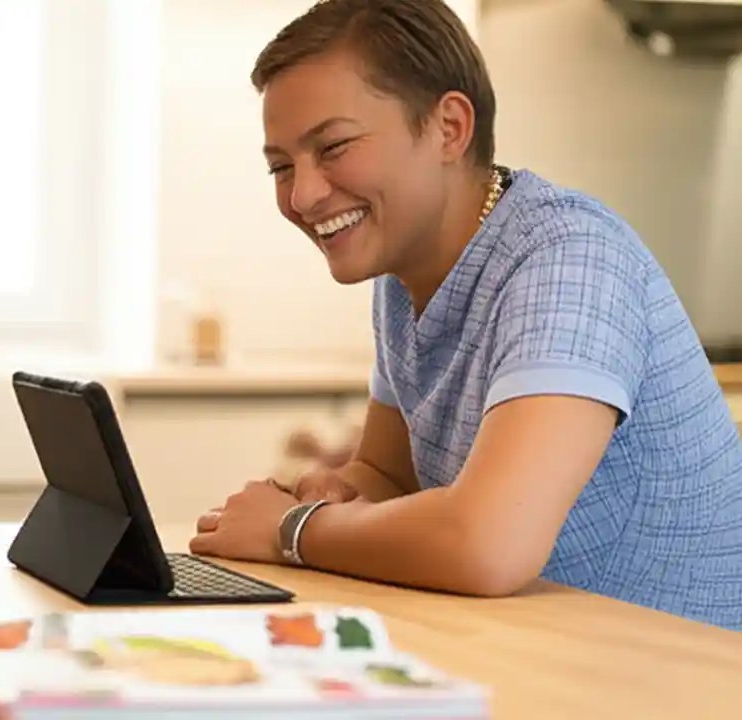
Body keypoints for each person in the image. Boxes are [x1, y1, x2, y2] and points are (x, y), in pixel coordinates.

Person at [189, 0, 742, 630]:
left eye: (333, 147)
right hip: (545, 649)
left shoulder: (569, 259)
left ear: (449, 127)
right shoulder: (405, 277)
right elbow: (388, 474)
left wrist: (294, 529)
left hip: (682, 673)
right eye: (281, 166)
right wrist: (341, 492)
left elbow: (490, 544)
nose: (302, 194)